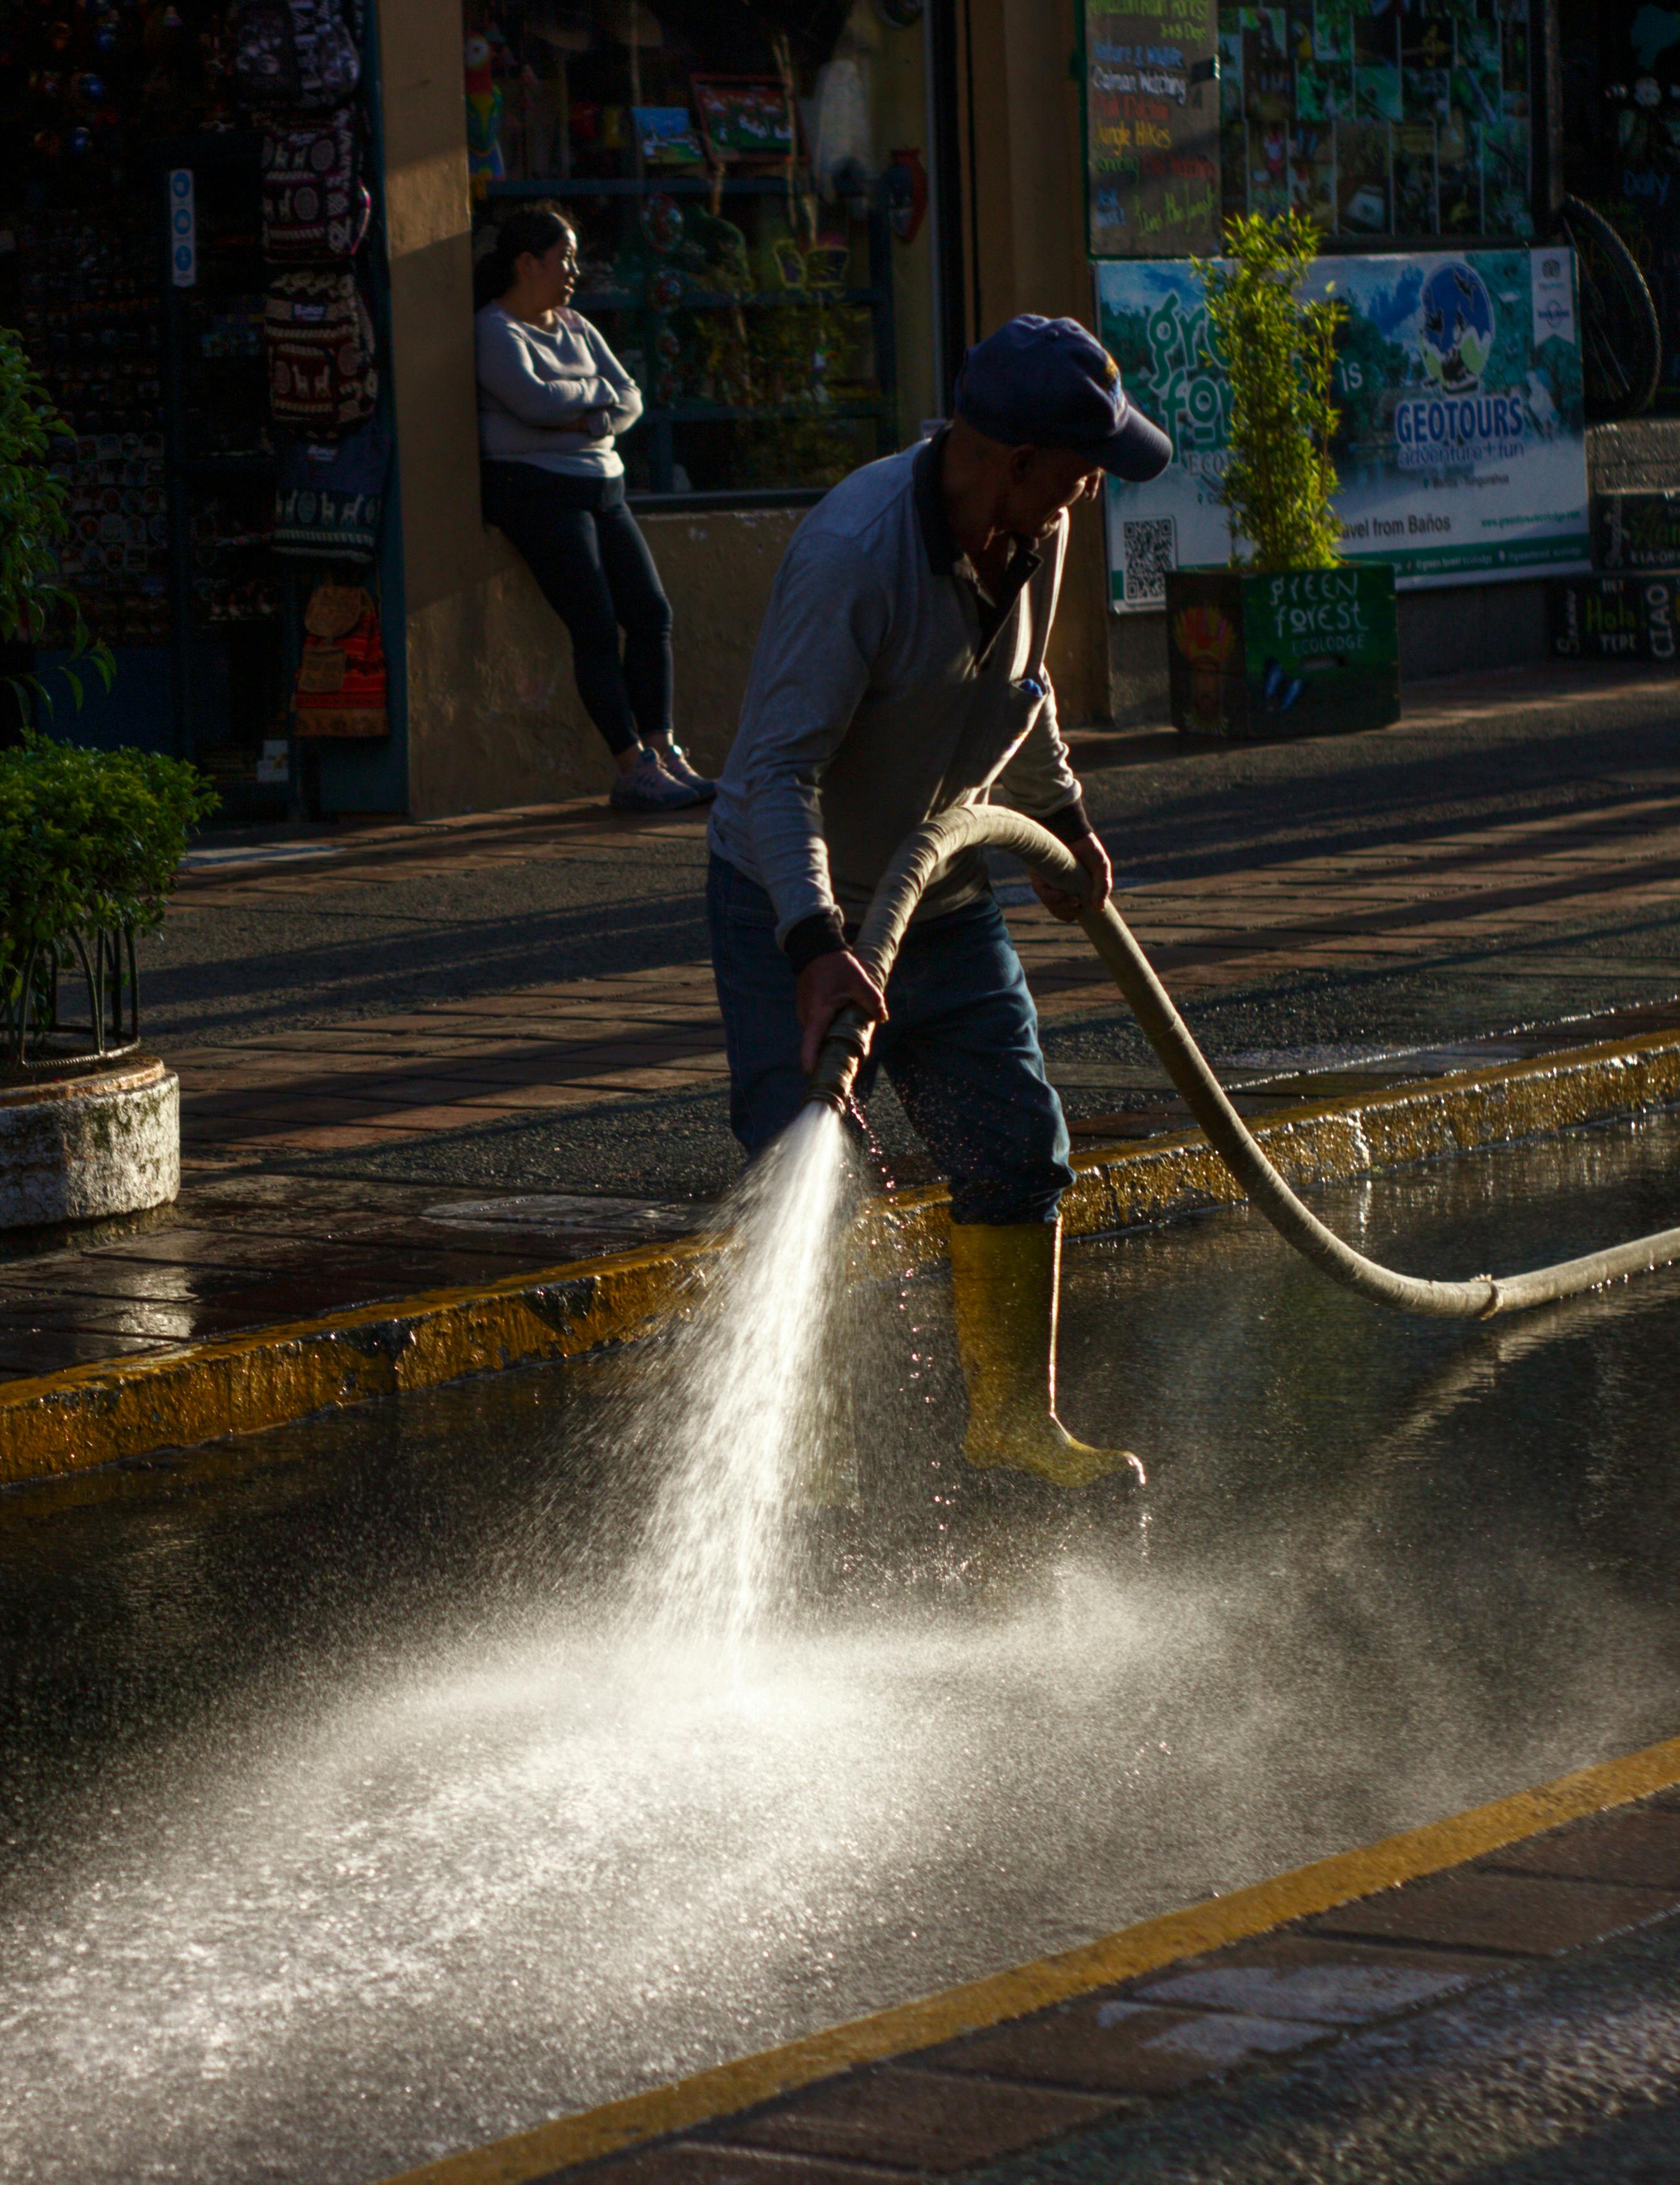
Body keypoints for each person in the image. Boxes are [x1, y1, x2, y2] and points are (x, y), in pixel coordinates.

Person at [705, 315, 1175, 1489]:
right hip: (789, 901)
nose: (1091, 486)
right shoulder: (852, 557)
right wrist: (816, 944)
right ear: (1011, 455)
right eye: (1081, 462)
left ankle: (1011, 1420)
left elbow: (1020, 687)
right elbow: (773, 774)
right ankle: (798, 1448)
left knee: (1015, 1144)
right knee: (806, 1159)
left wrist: (1058, 819)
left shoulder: (1032, 525)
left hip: (943, 886)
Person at [473, 207, 713, 813]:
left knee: (652, 614)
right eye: (565, 258)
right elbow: (531, 400)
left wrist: (584, 411)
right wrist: (590, 406)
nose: (574, 271)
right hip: (538, 489)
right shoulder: (495, 331)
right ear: (527, 264)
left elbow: (630, 395)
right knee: (596, 624)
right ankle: (631, 767)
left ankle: (663, 749)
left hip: (605, 487)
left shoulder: (575, 325)